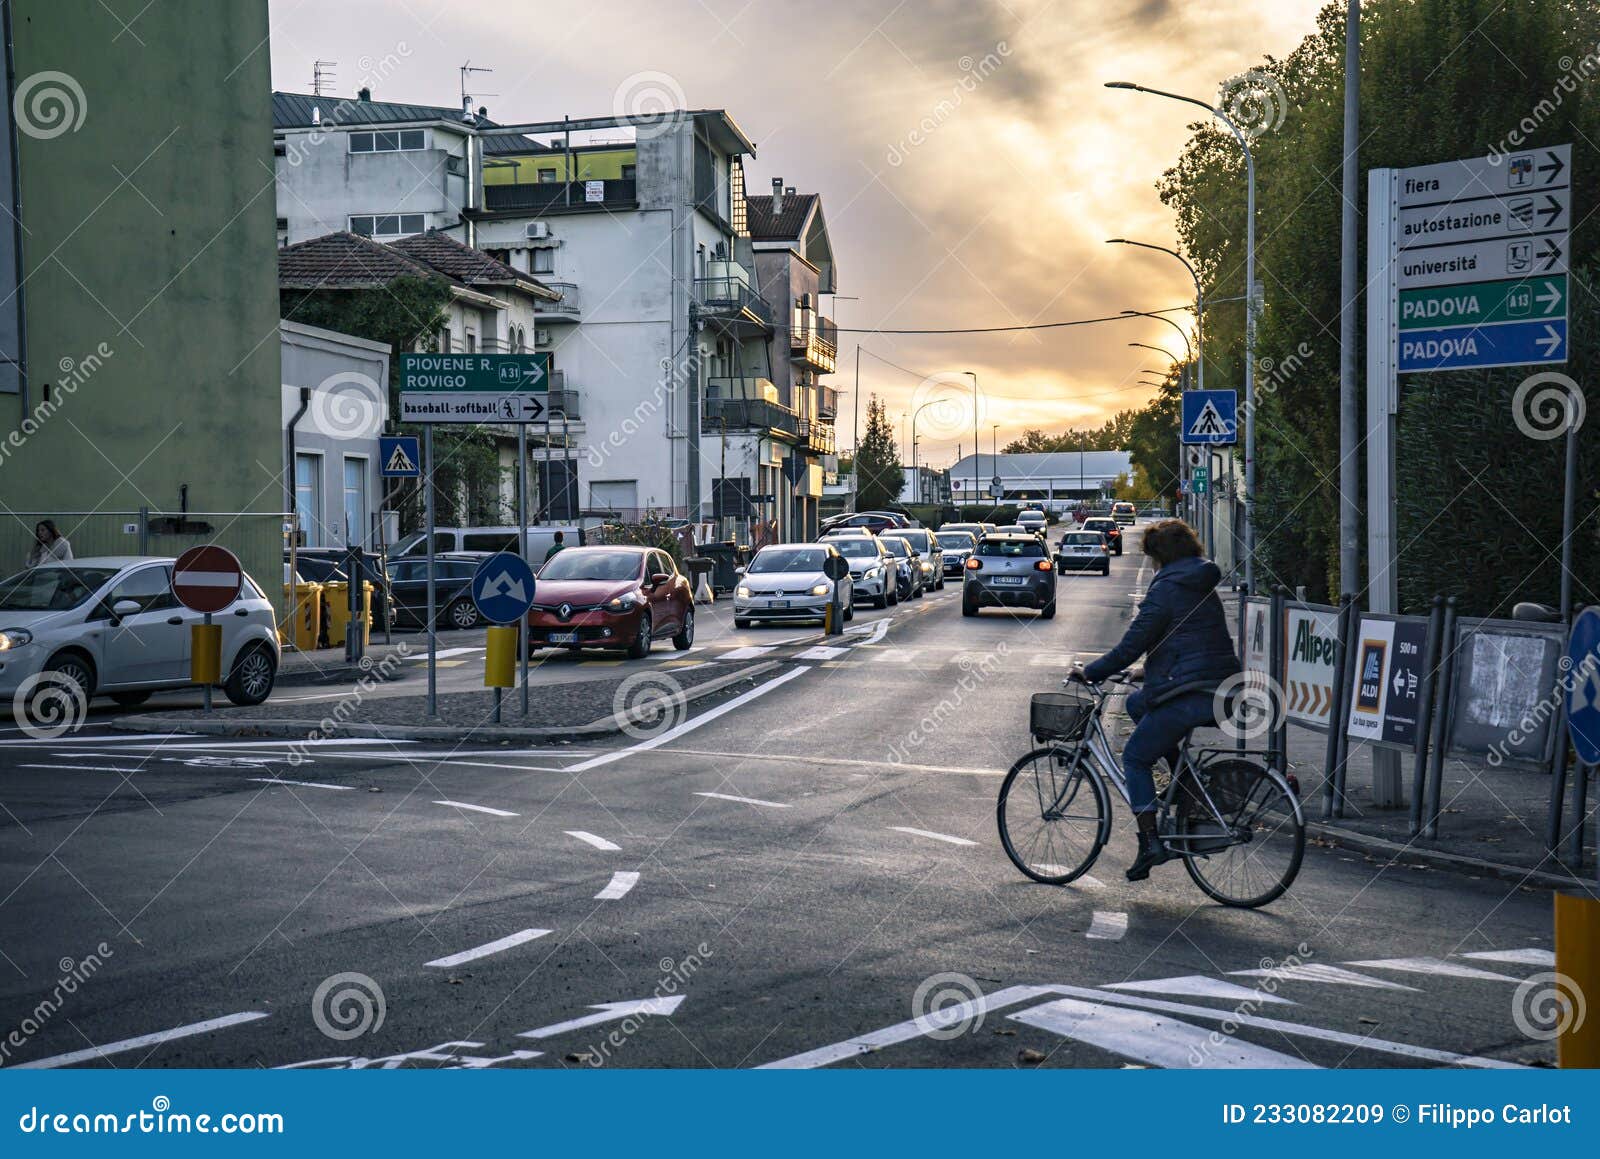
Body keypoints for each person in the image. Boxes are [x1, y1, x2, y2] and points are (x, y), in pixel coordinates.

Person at [1071, 519, 1240, 881]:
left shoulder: (1166, 589)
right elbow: (1190, 639)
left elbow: (1132, 642)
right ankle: (1185, 786)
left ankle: (1150, 842)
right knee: (1135, 705)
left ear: (1159, 556)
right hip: (1218, 688)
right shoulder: (1199, 582)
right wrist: (1147, 671)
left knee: (1135, 756)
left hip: (1190, 693)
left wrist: (1093, 671)